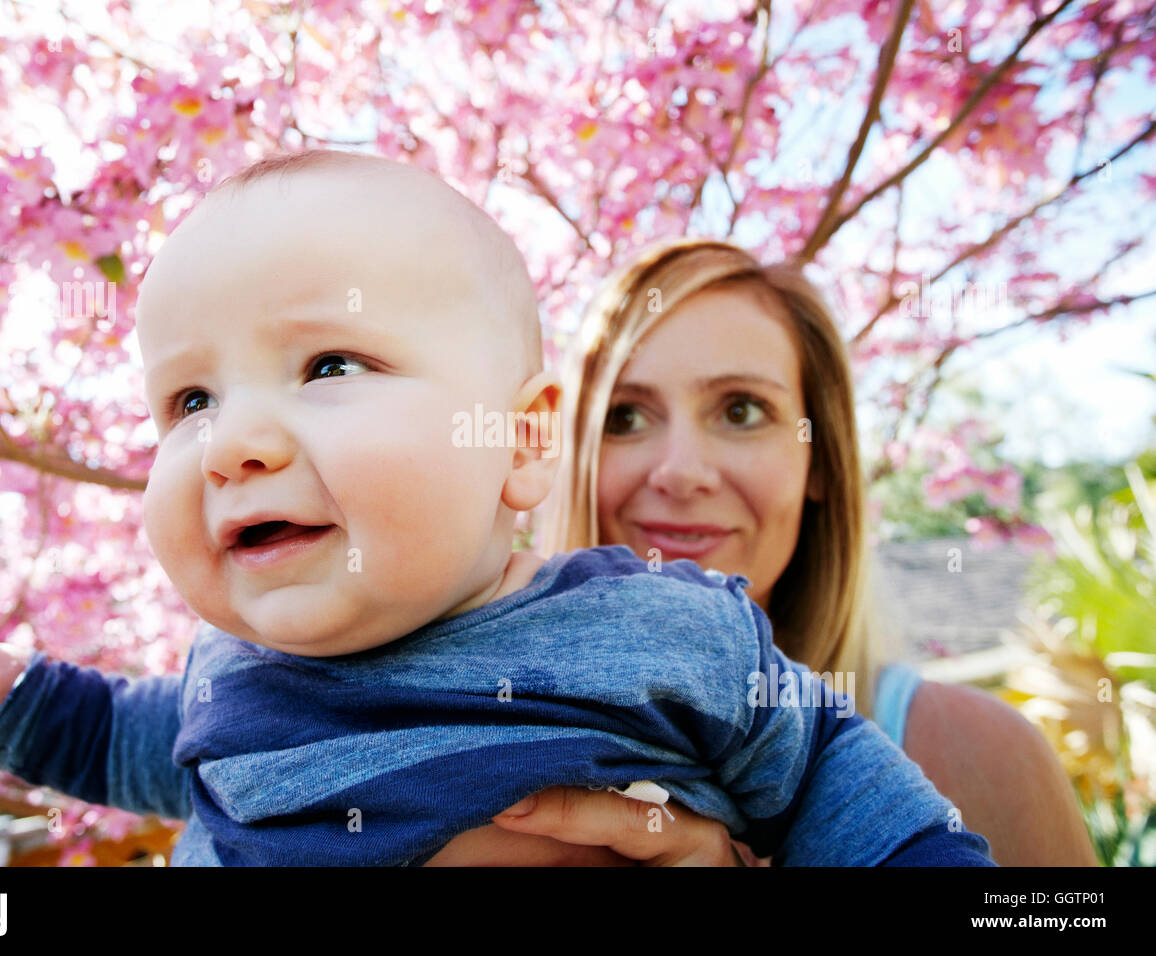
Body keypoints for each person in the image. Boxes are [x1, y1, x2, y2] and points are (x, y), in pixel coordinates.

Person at [0, 151, 995, 866]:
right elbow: (146, 742)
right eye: (190, 397)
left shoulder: (659, 632)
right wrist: (21, 702)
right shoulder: (232, 672)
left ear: (517, 440)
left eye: (327, 365)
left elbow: (834, 781)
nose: (231, 443)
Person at [446, 239, 1096, 866]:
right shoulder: (444, 745)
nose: (680, 472)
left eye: (741, 410)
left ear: (819, 461)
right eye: (626, 417)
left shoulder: (976, 755)